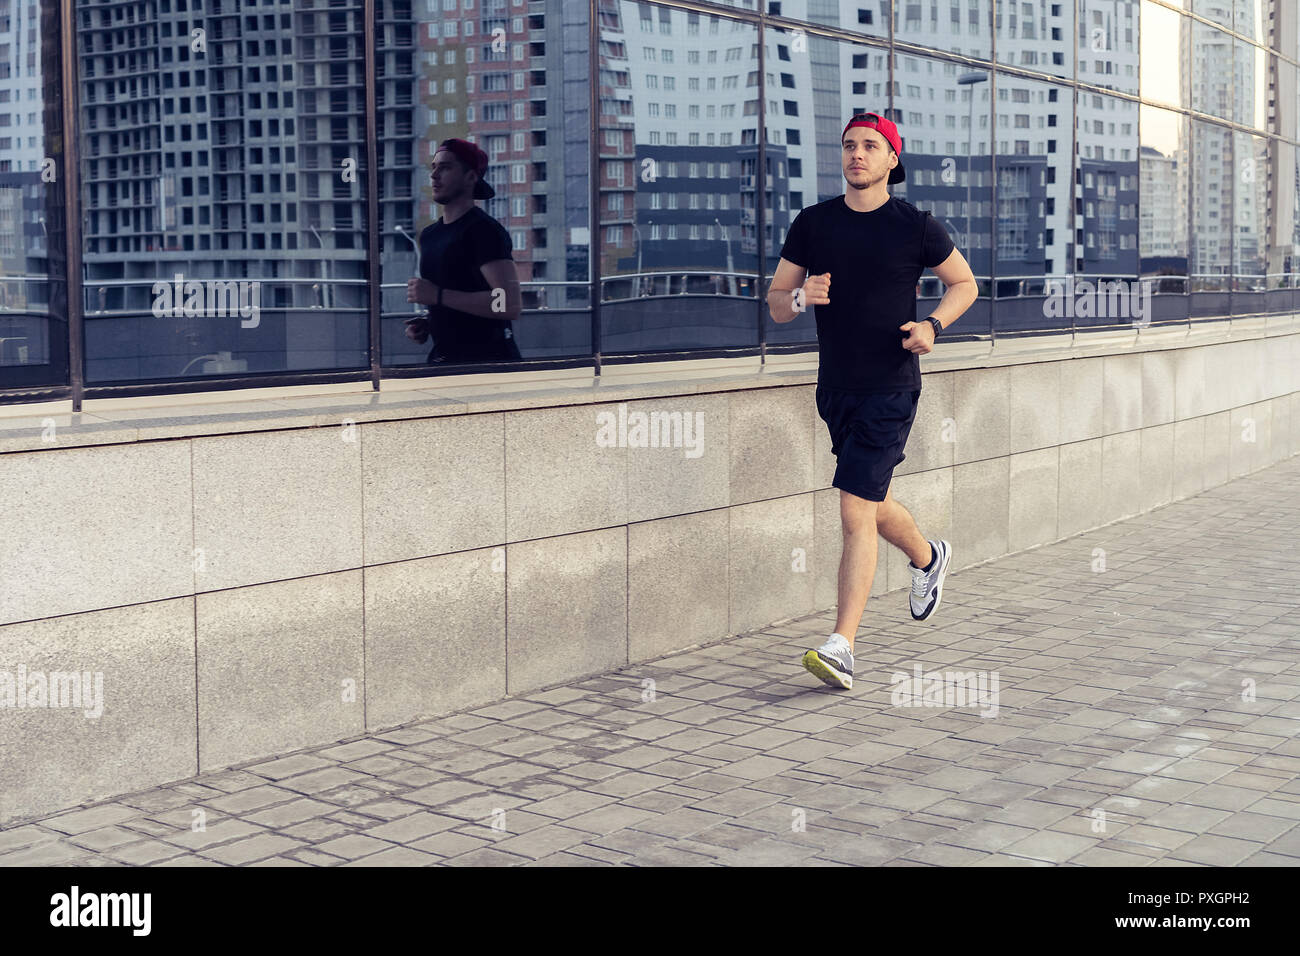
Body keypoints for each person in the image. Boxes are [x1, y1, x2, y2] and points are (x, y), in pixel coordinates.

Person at [767, 112, 979, 690]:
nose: (856, 154)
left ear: (892, 160)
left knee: (853, 509)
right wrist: (801, 298)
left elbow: (965, 283)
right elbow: (776, 302)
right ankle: (929, 557)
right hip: (835, 388)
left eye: (870, 146)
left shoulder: (917, 226)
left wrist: (932, 324)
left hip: (891, 386)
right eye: (849, 146)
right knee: (871, 497)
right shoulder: (813, 224)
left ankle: (842, 646)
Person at [406, 138, 523, 363]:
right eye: (434, 167)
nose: (434, 175)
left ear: (471, 177)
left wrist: (437, 296)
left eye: (445, 167)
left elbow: (508, 304)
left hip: (487, 366)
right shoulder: (431, 235)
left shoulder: (484, 230)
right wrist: (431, 323)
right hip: (445, 361)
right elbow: (457, 295)